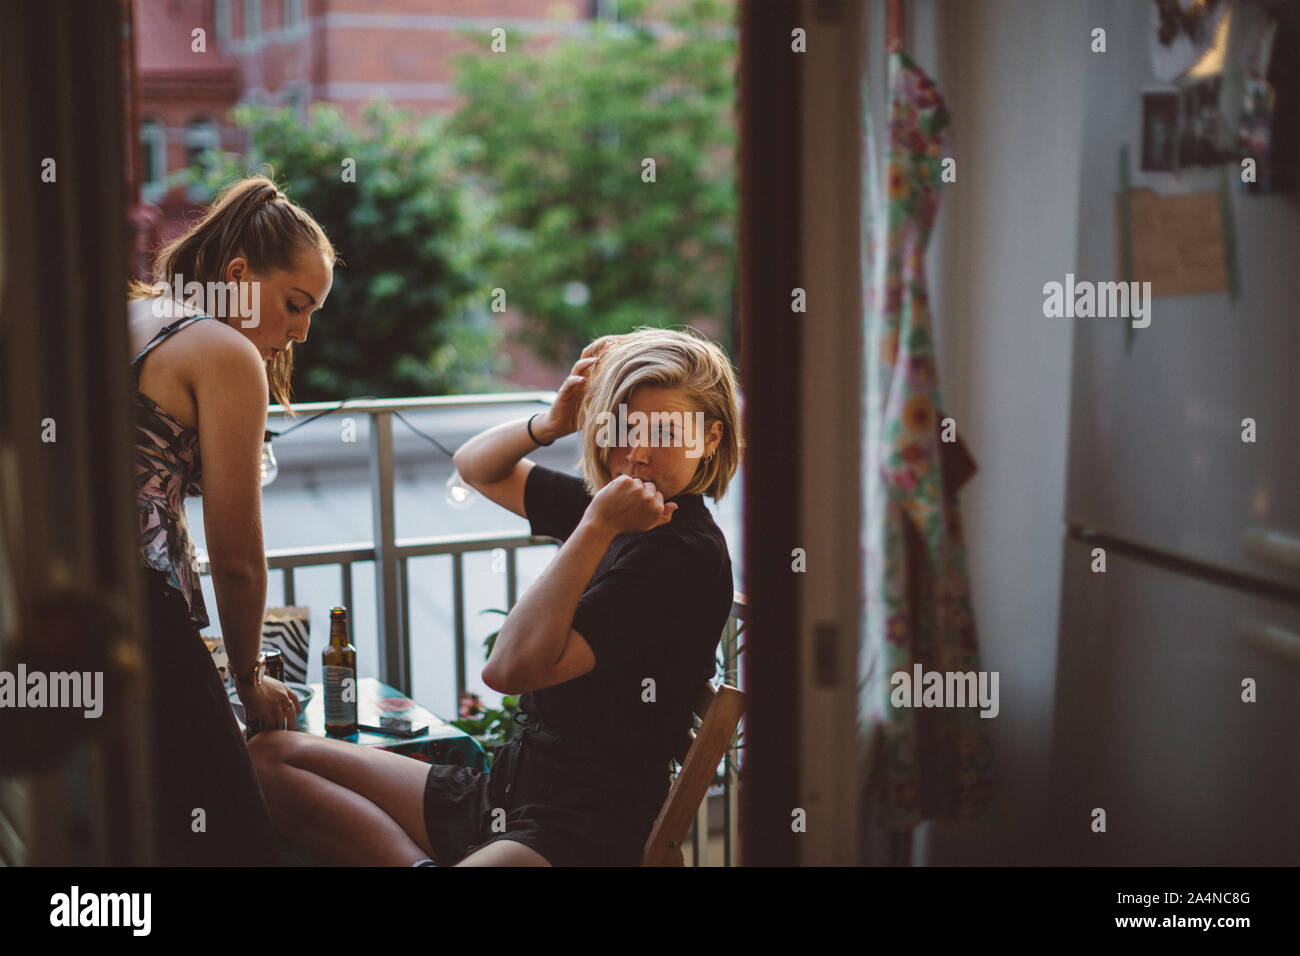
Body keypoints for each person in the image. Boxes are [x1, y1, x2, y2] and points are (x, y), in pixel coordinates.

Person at [247, 328, 741, 866]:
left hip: (582, 828)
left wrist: (596, 525)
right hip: (507, 789)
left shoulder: (677, 552)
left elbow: (507, 669)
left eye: (667, 432)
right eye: (624, 428)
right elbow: (476, 465)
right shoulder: (620, 507)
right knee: (268, 758)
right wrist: (551, 424)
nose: (639, 454)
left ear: (711, 438)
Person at [127, 176, 335, 865]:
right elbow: (239, 553)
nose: (301, 330)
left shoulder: (140, 315)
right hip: (146, 609)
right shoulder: (222, 350)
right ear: (239, 275)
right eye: (294, 305)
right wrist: (247, 678)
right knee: (236, 834)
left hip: (84, 600)